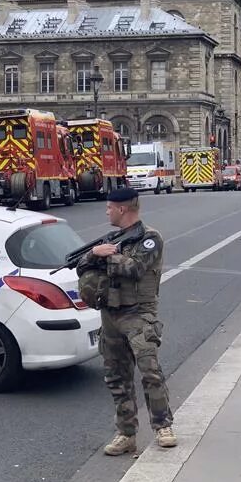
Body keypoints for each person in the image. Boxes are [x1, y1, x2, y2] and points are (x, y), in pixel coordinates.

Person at [76, 187, 176, 455]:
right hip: (111, 313)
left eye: (109, 207)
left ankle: (163, 426)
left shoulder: (149, 238)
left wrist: (106, 256)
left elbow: (135, 268)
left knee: (150, 371)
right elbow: (82, 267)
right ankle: (126, 433)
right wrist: (94, 253)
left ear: (122, 209)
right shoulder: (111, 239)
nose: (106, 212)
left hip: (139, 313)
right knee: (116, 376)